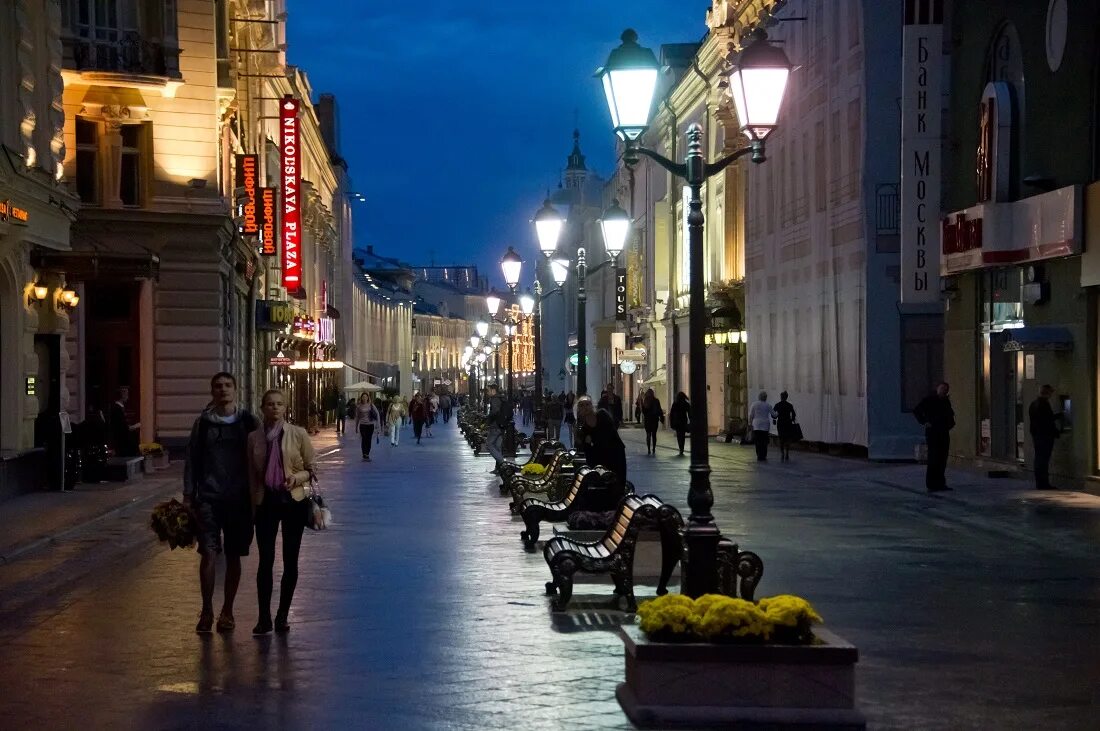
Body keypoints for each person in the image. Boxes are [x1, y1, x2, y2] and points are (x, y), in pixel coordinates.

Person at [183, 373, 258, 634]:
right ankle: (206, 610)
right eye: (218, 386)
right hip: (209, 498)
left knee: (235, 555)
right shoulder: (202, 423)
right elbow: (191, 459)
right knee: (209, 552)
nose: (222, 390)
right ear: (211, 391)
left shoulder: (248, 421)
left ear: (236, 390)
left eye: (227, 386)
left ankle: (227, 610)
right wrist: (188, 495)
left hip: (239, 499)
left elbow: (261, 454)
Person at [247, 389, 315, 635]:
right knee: (265, 561)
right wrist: (252, 505)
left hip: (292, 502)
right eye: (269, 404)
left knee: (290, 560)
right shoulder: (254, 438)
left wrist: (295, 478)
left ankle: (282, 615)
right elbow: (251, 476)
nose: (274, 408)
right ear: (262, 407)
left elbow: (311, 468)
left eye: (279, 404)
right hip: (266, 502)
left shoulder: (298, 434)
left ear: (285, 408)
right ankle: (263, 617)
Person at [913, 382, 955, 493]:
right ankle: (932, 483)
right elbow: (917, 410)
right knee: (933, 458)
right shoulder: (929, 400)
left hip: (943, 432)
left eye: (945, 390)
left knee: (942, 458)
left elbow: (950, 415)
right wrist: (924, 422)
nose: (943, 391)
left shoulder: (945, 401)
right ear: (937, 388)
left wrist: (950, 425)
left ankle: (940, 482)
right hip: (933, 433)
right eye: (942, 389)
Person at [576, 397, 627, 486]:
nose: (585, 407)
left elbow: (610, 434)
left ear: (592, 406)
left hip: (616, 454)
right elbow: (587, 451)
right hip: (601, 460)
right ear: (579, 410)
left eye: (587, 404)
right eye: (582, 405)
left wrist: (593, 442)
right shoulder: (584, 429)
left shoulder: (602, 414)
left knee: (618, 482)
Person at [1028, 384, 1061, 490]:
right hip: (1045, 436)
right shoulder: (1043, 404)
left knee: (1039, 459)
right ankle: (1044, 483)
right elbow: (1047, 420)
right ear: (1047, 393)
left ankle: (1040, 483)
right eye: (1051, 393)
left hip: (1037, 435)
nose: (1051, 395)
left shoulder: (1033, 404)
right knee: (1044, 459)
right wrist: (1059, 417)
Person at [108, 386, 140, 456]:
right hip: (122, 443)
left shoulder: (119, 408)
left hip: (122, 442)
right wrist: (136, 426)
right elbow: (123, 428)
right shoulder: (117, 409)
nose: (128, 397)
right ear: (123, 395)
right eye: (127, 394)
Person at [485, 384, 509, 473]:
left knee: (489, 445)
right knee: (498, 447)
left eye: (488, 390)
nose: (487, 393)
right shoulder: (502, 398)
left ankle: (503, 463)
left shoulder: (495, 399)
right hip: (502, 425)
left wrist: (488, 417)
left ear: (493, 390)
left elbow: (495, 411)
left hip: (495, 425)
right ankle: (499, 469)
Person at [772, 391, 797, 462]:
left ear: (781, 397)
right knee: (787, 438)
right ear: (787, 397)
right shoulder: (789, 405)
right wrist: (792, 419)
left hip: (780, 423)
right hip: (788, 423)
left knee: (781, 438)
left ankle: (782, 453)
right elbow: (794, 414)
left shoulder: (778, 405)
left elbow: (773, 414)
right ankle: (787, 453)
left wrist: (774, 419)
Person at [748, 391, 774, 462]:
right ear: (765, 398)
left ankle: (758, 454)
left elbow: (751, 415)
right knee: (764, 441)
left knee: (757, 441)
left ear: (759, 397)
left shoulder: (754, 404)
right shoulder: (768, 405)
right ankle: (764, 455)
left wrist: (750, 424)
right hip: (765, 426)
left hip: (756, 425)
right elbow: (774, 414)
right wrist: (778, 412)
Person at [354, 393, 381, 461]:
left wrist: (378, 423)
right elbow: (357, 417)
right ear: (361, 398)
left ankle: (367, 454)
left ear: (368, 398)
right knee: (364, 439)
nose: (364, 398)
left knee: (368, 440)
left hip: (370, 425)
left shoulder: (371, 405)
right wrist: (356, 427)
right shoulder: (359, 406)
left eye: (366, 397)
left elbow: (377, 413)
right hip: (362, 425)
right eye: (363, 397)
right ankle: (364, 454)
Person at [641, 388, 664, 455]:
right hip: (654, 420)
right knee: (654, 435)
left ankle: (648, 449)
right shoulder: (656, 401)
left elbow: (644, 411)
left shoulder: (646, 401)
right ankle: (653, 448)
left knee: (648, 434)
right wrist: (661, 417)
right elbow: (660, 410)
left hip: (648, 420)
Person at [669, 392, 690, 456]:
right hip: (683, 421)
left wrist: (671, 422)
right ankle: (682, 448)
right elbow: (690, 412)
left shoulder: (675, 404)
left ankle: (680, 448)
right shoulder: (686, 403)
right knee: (682, 435)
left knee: (679, 435)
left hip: (677, 421)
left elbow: (671, 414)